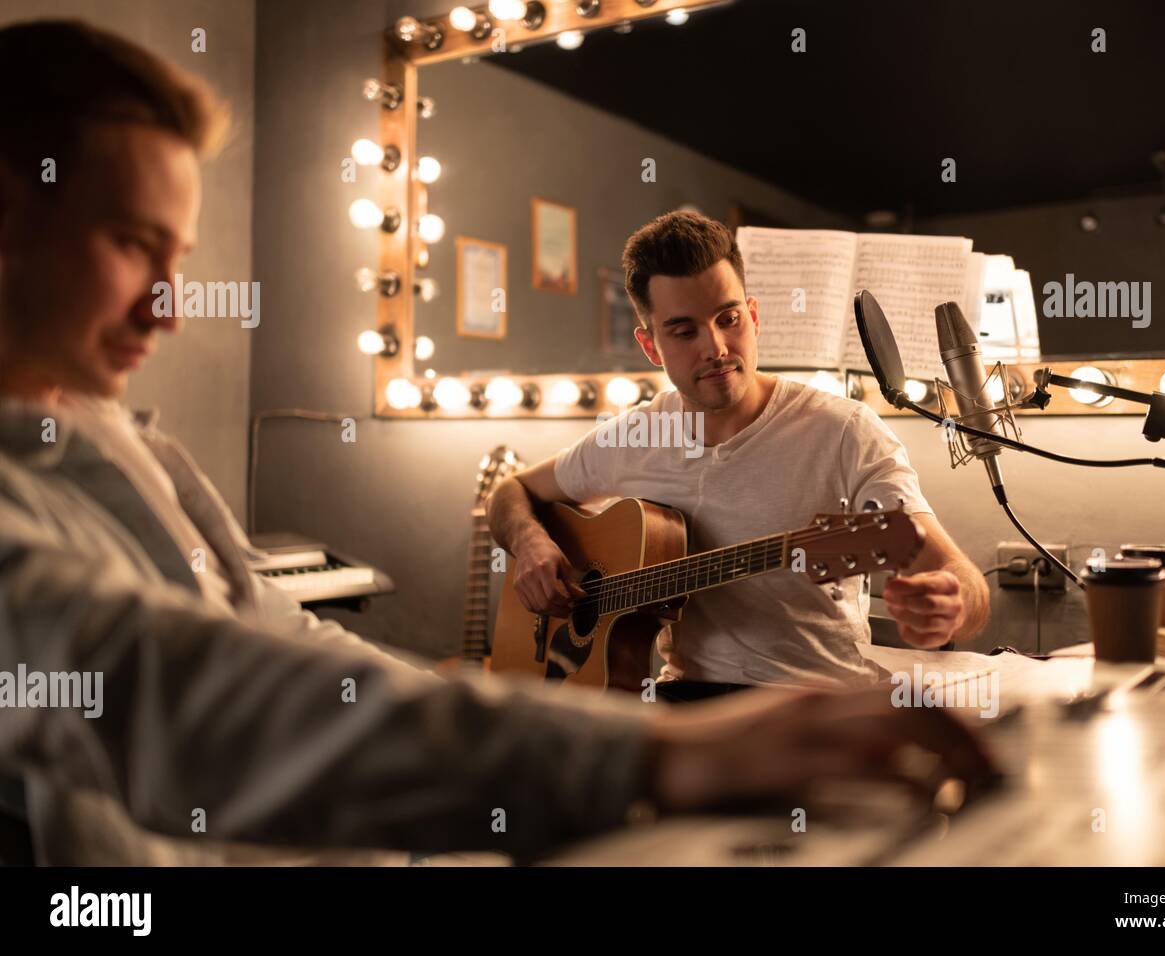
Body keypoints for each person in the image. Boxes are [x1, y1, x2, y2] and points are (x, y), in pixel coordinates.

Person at [0, 18, 997, 865]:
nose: (172, 310)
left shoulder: (120, 441)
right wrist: (642, 742)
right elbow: (172, 691)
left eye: (180, 257)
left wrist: (515, 717)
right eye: (134, 244)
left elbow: (275, 633)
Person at [489, 212, 991, 701]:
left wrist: (952, 606)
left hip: (812, 705)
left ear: (753, 316)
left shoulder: (844, 432)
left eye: (728, 319)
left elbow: (962, 581)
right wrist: (530, 543)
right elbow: (510, 493)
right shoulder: (638, 433)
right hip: (682, 700)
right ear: (650, 345)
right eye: (684, 332)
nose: (716, 347)